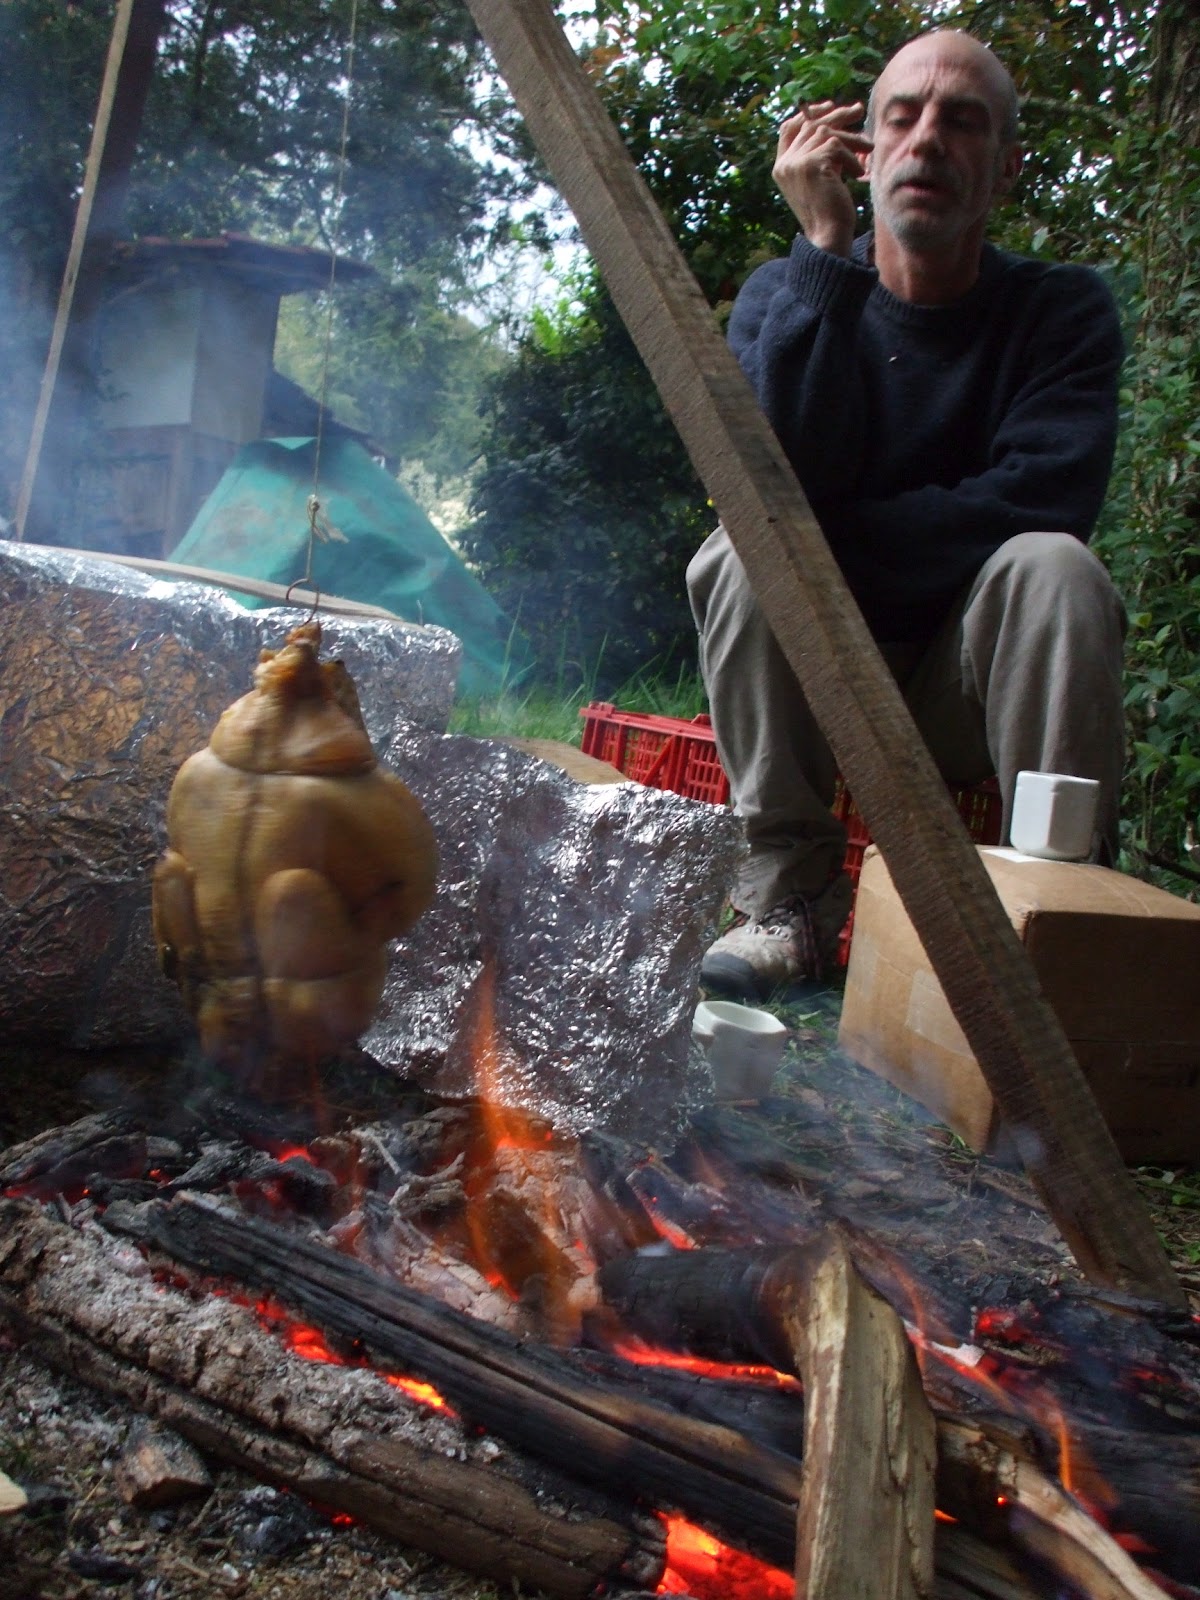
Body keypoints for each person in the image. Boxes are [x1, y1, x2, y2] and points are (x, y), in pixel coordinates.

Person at [689, 28, 1128, 999]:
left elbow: (1041, 500)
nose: (929, 138)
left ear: (1005, 168)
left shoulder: (1062, 314)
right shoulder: (783, 293)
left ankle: (1052, 929)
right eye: (905, 115)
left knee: (1055, 568)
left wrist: (836, 533)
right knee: (739, 552)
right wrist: (821, 254)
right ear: (866, 152)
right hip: (805, 677)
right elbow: (766, 493)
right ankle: (792, 908)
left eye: (963, 121)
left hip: (960, 685)